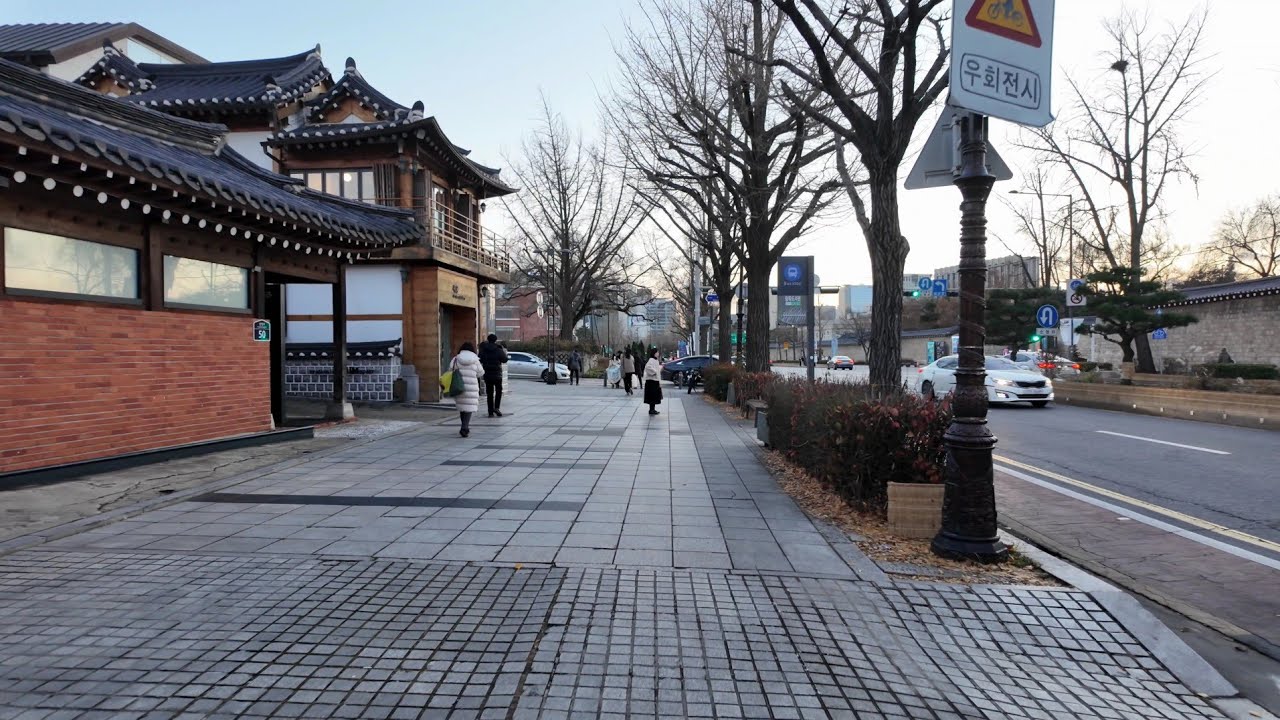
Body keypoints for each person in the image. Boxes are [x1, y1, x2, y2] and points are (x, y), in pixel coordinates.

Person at [450, 341, 484, 437]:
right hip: (472, 387)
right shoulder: (475, 360)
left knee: (462, 407)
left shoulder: (456, 359)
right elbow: (480, 373)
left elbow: (450, 369)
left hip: (459, 386)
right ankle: (465, 427)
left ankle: (464, 426)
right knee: (468, 407)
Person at [477, 333, 508, 417]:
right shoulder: (498, 349)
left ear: (488, 339)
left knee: (489, 393)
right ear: (495, 340)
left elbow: (480, 359)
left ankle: (490, 411)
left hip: (487, 374)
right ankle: (497, 407)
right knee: (498, 391)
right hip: (497, 374)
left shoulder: (483, 349)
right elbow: (505, 360)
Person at [642, 348, 663, 415]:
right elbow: (648, 368)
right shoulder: (651, 360)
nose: (658, 354)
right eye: (657, 352)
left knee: (654, 396)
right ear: (654, 353)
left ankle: (652, 409)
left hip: (655, 381)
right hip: (652, 381)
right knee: (652, 396)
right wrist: (654, 372)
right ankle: (651, 409)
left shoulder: (655, 360)